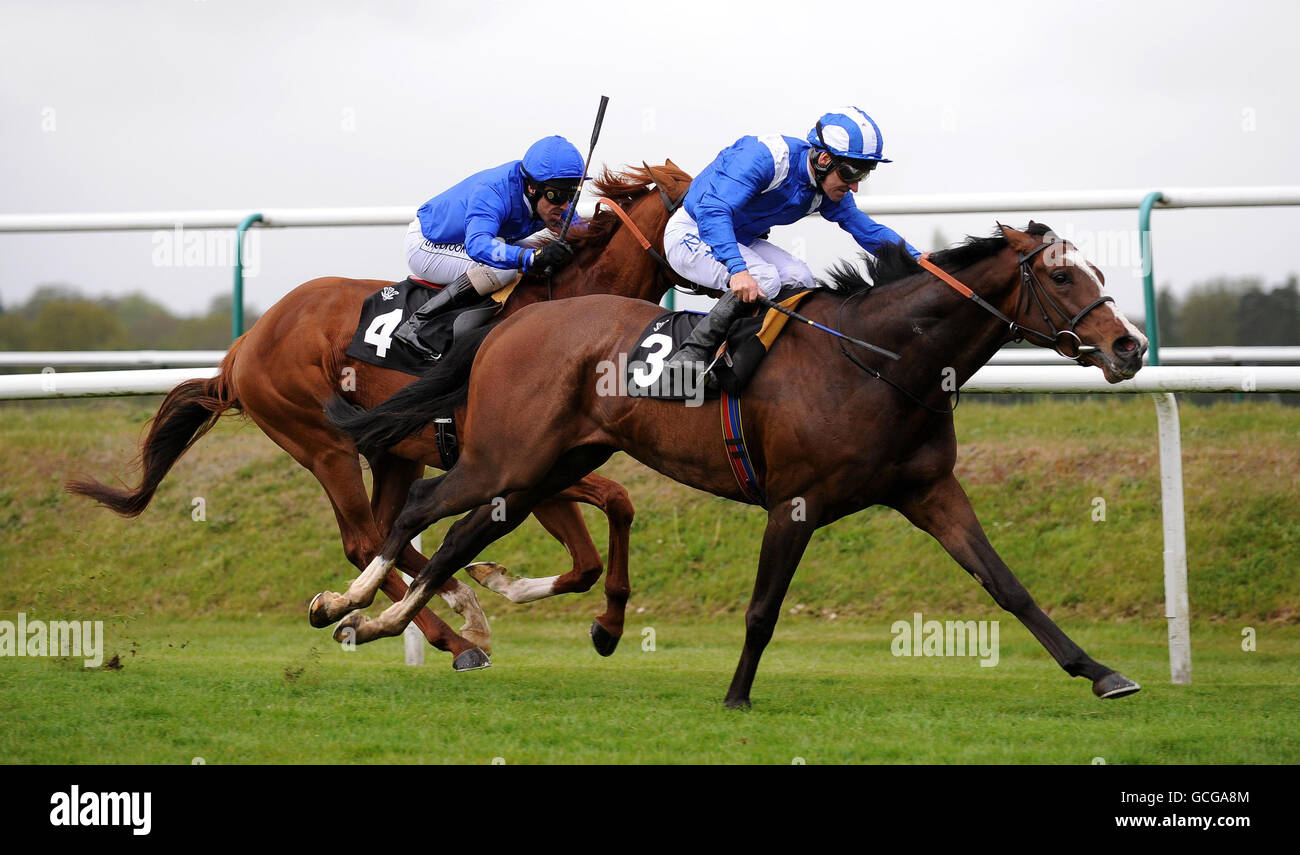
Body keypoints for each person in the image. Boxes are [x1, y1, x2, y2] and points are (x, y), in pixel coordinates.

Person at [662, 107, 920, 381]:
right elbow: (714, 211)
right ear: (823, 159)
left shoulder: (828, 186)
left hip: (739, 238)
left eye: (863, 175)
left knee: (801, 279)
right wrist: (738, 270)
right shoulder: (765, 158)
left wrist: (916, 260)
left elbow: (865, 228)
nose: (854, 186)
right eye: (851, 172)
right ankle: (689, 358)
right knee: (764, 277)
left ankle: (774, 363)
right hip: (692, 231)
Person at [393, 135, 585, 358]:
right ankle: (418, 324)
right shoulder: (493, 190)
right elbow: (478, 245)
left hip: (476, 240)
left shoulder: (553, 200)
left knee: (551, 249)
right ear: (533, 188)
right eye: (558, 196)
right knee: (506, 268)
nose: (564, 206)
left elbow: (581, 234)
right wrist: (531, 258)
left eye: (571, 197)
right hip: (429, 244)